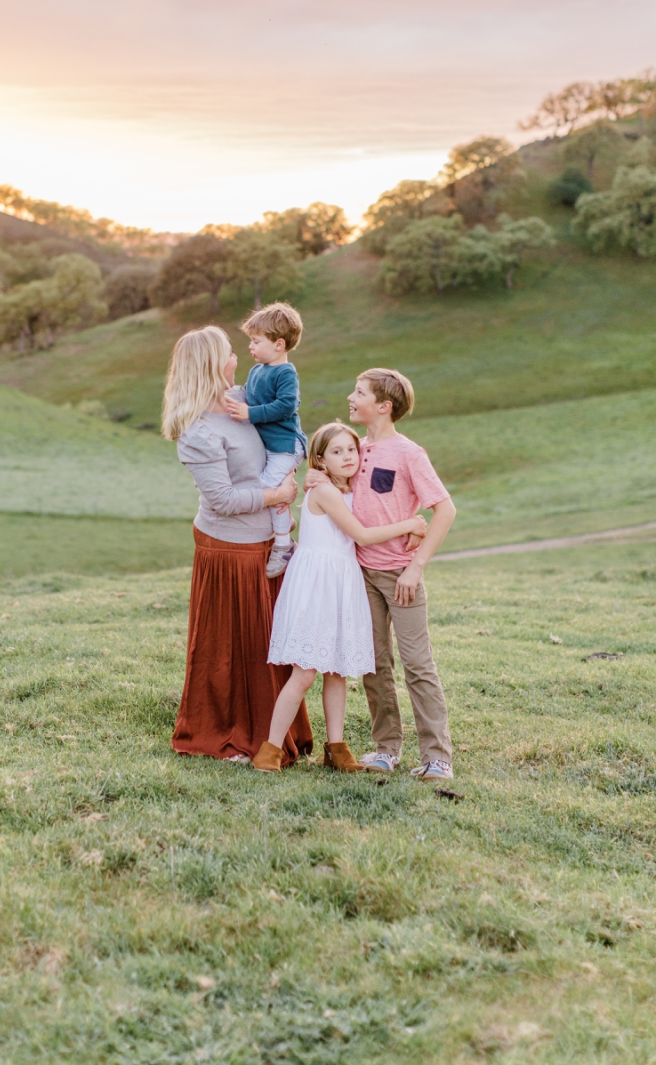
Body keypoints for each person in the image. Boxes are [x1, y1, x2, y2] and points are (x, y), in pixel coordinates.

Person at [162, 324, 312, 765]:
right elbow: (224, 500)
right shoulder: (197, 432)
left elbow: (280, 432)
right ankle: (230, 732)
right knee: (233, 651)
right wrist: (276, 496)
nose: (237, 359)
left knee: (267, 644)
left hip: (265, 542)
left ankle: (273, 730)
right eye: (229, 353)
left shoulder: (240, 403)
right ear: (211, 363)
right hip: (229, 551)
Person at [252, 421, 431, 773]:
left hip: (343, 580)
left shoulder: (348, 487)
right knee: (304, 673)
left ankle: (337, 749)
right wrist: (411, 524)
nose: (347, 456)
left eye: (352, 449)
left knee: (337, 670)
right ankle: (269, 749)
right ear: (320, 460)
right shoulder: (324, 492)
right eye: (336, 452)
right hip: (318, 582)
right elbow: (362, 535)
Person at [305, 368, 457, 782]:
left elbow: (444, 510)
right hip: (360, 574)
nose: (350, 398)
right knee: (373, 663)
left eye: (359, 393)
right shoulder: (355, 448)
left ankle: (437, 757)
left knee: (417, 664)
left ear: (383, 406)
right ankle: (387, 748)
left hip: (399, 576)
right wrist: (316, 474)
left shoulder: (409, 453)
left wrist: (416, 564)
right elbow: (335, 477)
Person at [225, 302, 306, 578]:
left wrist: (250, 413)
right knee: (270, 489)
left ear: (279, 344)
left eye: (256, 341)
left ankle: (283, 544)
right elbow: (247, 394)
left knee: (266, 489)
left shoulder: (285, 373)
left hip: (286, 446)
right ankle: (284, 522)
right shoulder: (257, 371)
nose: (251, 346)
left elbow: (286, 406)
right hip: (270, 448)